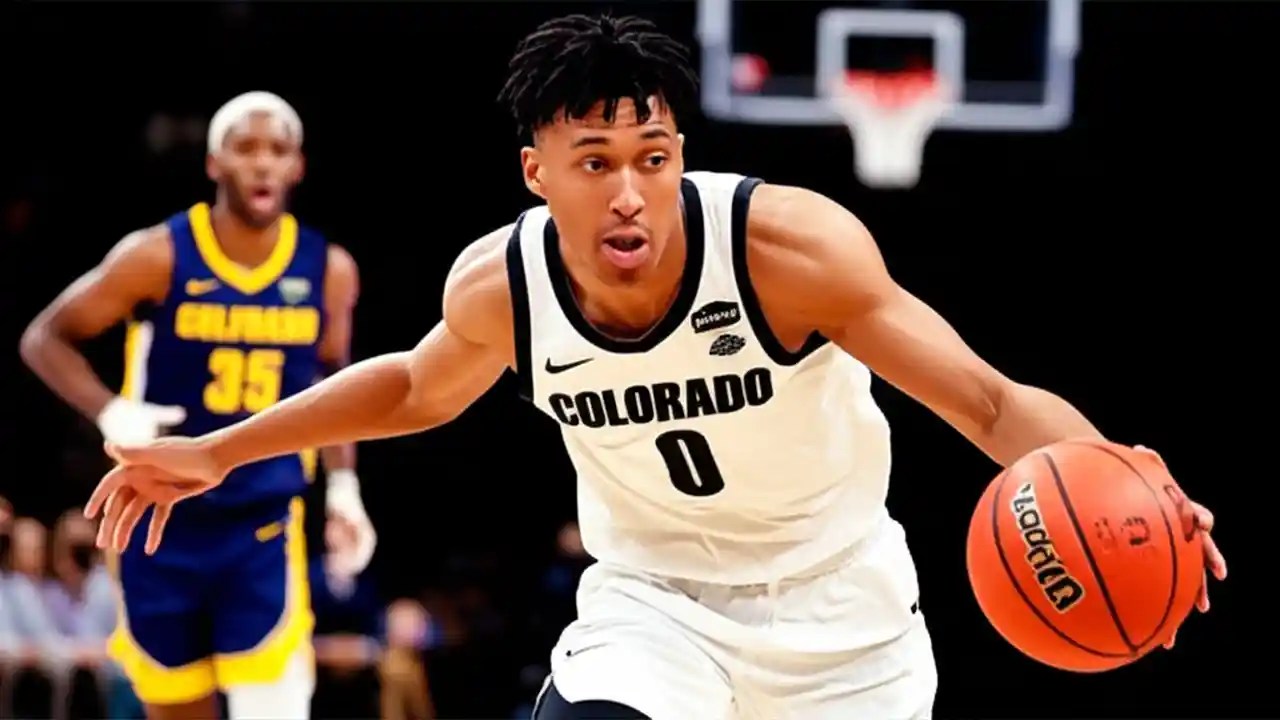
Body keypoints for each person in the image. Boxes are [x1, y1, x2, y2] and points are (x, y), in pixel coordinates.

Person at [83, 16, 1226, 720]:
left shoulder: (787, 250)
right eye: (594, 161)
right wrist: (220, 450)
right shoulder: (501, 283)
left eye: (654, 156)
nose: (628, 190)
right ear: (537, 173)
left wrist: (1128, 486)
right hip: (654, 612)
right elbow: (416, 385)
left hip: (844, 615)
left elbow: (981, 399)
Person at [19, 91, 377, 720]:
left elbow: (335, 384)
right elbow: (44, 337)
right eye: (246, 149)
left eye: (277, 150)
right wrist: (108, 410)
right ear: (215, 164)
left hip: (263, 518)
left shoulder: (329, 270)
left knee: (277, 703)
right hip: (159, 520)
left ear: (297, 167)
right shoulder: (157, 255)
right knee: (178, 707)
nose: (262, 164)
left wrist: (345, 487)